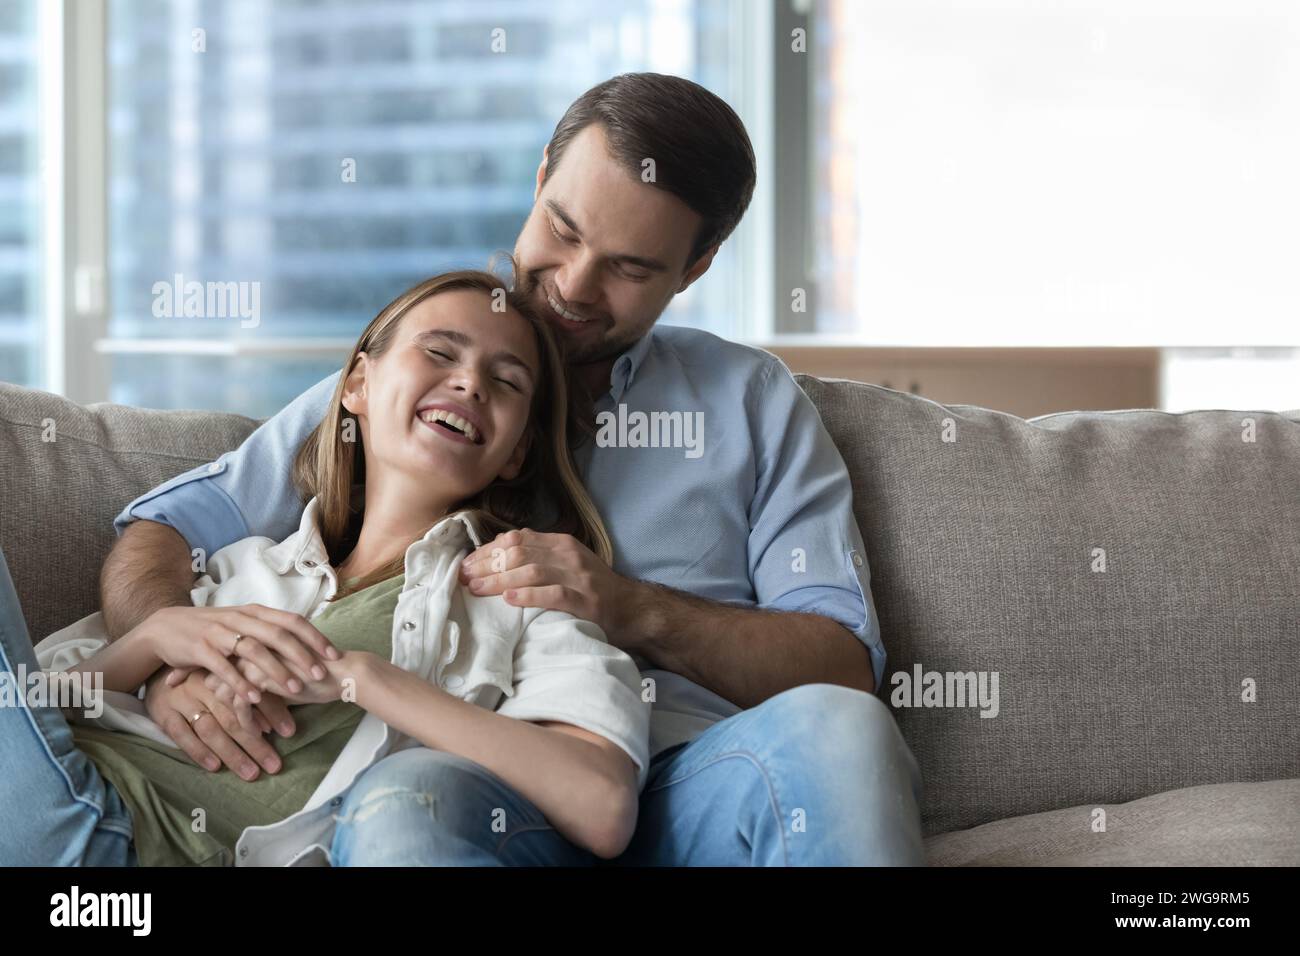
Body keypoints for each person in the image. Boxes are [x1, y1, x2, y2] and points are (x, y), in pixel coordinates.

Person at [100, 72, 925, 865]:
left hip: (693, 786)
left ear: (697, 266)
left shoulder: (750, 403)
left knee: (840, 730)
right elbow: (165, 532)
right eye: (563, 231)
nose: (572, 284)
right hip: (474, 780)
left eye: (630, 268)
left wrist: (632, 608)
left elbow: (842, 670)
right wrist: (175, 660)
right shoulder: (418, 376)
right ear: (539, 179)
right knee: (405, 794)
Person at [0, 269, 649, 866]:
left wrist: (364, 679)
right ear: (359, 386)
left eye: (506, 381)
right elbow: (25, 705)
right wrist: (149, 642)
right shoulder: (246, 566)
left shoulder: (520, 598)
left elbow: (604, 805)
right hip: (50, 789)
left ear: (517, 452)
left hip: (112, 845)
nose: (471, 383)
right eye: (440, 353)